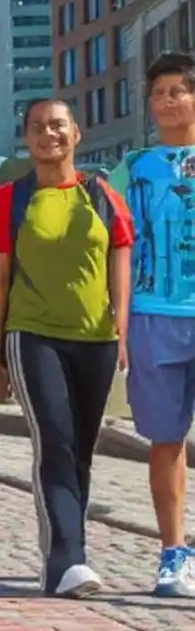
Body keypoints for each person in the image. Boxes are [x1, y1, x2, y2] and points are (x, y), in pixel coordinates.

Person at [0, 98, 133, 597]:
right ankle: (68, 558)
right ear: (27, 138)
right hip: (32, 334)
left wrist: (122, 330)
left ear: (76, 134)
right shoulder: (10, 199)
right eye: (39, 127)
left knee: (82, 450)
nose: (50, 134)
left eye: (59, 125)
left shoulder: (102, 196)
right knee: (55, 442)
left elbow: (119, 258)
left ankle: (65, 556)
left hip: (96, 339)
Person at [107, 51, 195, 598]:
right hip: (152, 317)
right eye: (159, 92)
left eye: (178, 90)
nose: (168, 100)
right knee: (166, 440)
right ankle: (172, 553)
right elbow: (106, 239)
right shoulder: (132, 168)